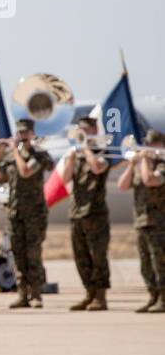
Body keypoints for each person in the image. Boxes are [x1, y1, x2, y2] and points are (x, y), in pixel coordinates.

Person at [0, 118, 55, 308]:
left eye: (26, 132)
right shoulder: (11, 156)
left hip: (34, 214)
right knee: (18, 254)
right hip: (15, 213)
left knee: (33, 254)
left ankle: (36, 294)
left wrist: (15, 151)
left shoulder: (39, 155)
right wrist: (0, 154)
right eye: (20, 133)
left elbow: (25, 171)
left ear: (32, 134)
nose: (22, 136)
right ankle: (22, 294)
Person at [62, 116, 111, 311]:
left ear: (94, 130)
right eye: (80, 130)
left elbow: (97, 168)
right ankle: (89, 294)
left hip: (95, 213)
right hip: (77, 213)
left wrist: (85, 148)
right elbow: (65, 179)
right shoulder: (77, 154)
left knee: (98, 256)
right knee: (81, 256)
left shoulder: (102, 152)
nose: (82, 133)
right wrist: (72, 157)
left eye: (86, 130)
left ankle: (100, 296)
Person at [118, 130, 165, 312]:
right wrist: (131, 165)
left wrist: (144, 160)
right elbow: (122, 185)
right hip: (141, 221)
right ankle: (153, 297)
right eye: (146, 143)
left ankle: (163, 299)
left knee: (160, 263)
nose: (147, 147)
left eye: (152, 144)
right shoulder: (141, 166)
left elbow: (149, 180)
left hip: (159, 223)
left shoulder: (161, 166)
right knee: (146, 264)